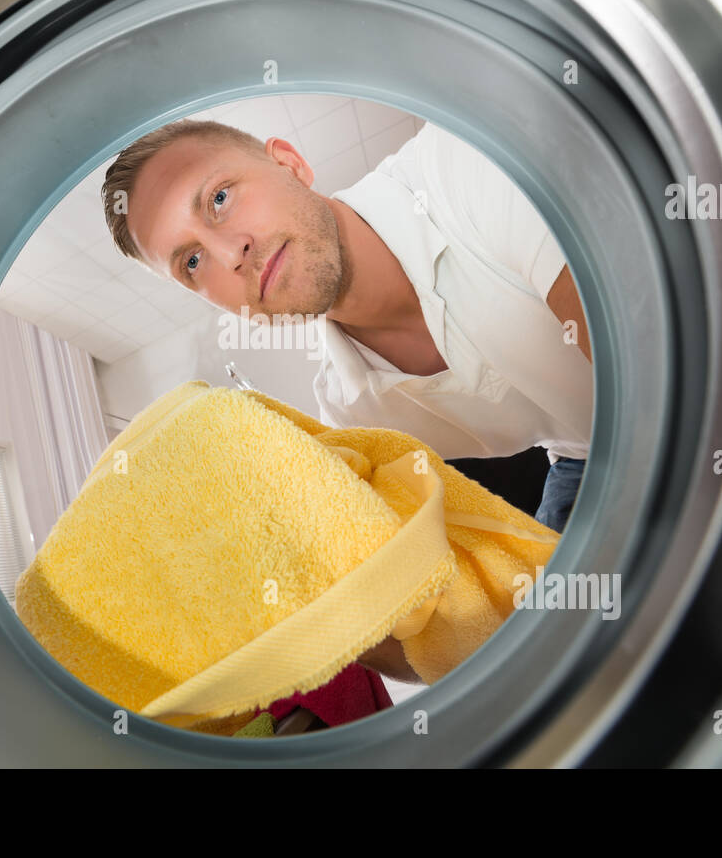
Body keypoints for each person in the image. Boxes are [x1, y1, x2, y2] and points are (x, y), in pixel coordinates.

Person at [100, 116, 595, 682]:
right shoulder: (352, 415)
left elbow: (655, 365)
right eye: (191, 263)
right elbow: (418, 635)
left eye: (219, 199)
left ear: (290, 164)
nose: (229, 254)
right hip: (576, 456)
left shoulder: (469, 165)